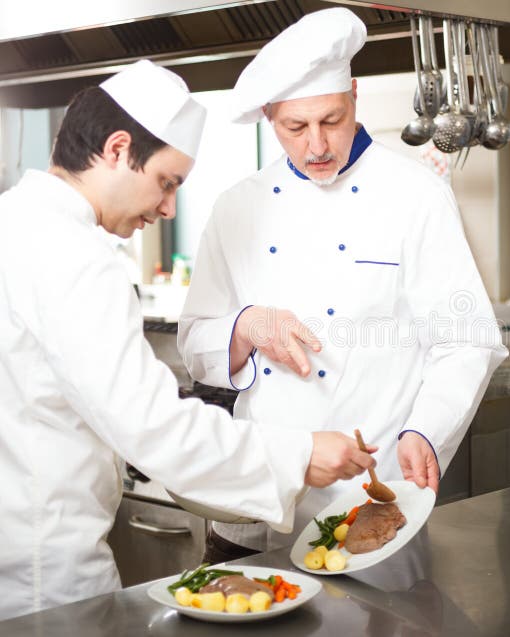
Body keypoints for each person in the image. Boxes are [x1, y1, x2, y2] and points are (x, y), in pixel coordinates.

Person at [0, 59, 375, 621]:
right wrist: (299, 455)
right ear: (118, 149)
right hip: (43, 578)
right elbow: (153, 427)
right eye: (166, 182)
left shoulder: (13, 220)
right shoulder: (76, 258)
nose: (168, 208)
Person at [178, 8, 507, 560]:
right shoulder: (237, 207)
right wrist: (245, 327)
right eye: (294, 127)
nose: (317, 146)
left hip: (367, 507)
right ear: (268, 117)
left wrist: (426, 430)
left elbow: (466, 339)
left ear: (354, 96)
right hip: (257, 506)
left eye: (331, 120)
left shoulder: (416, 196)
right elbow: (194, 343)